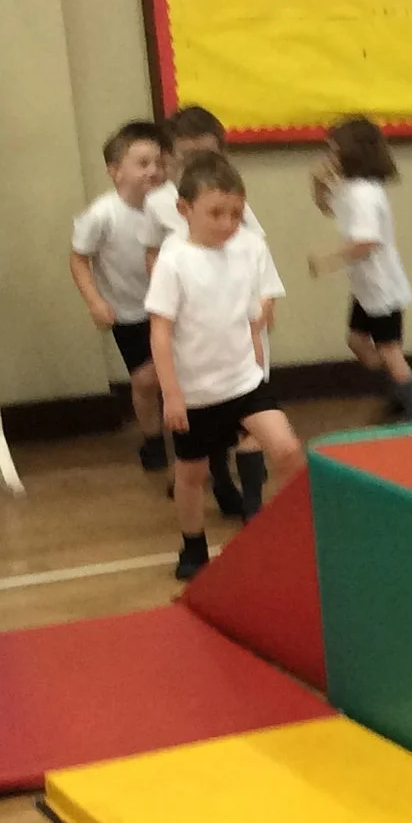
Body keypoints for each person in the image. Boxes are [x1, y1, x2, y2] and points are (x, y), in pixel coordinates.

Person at [146, 155, 304, 581]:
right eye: (215, 213)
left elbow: (254, 304)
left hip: (244, 380)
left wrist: (256, 338)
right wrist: (173, 393)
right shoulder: (174, 259)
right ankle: (194, 545)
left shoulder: (249, 247)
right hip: (196, 391)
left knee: (287, 449)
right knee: (192, 473)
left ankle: (292, 527)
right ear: (185, 210)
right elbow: (160, 331)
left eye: (235, 213)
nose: (227, 222)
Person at [146, 106, 275, 517]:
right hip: (194, 325)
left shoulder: (230, 203)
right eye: (186, 155)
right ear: (170, 159)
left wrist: (262, 306)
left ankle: (254, 503)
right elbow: (154, 251)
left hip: (237, 320)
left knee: (249, 418)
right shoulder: (161, 203)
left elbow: (255, 252)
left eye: (210, 155)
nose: (199, 163)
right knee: (206, 418)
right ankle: (219, 483)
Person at [68, 120, 171, 472]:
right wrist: (95, 302)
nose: (153, 171)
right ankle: (153, 439)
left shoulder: (172, 203)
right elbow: (79, 258)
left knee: (176, 371)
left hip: (170, 308)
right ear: (115, 172)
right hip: (128, 311)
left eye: (158, 163)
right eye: (142, 163)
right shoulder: (102, 214)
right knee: (145, 380)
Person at [306, 116, 412, 421]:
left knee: (390, 351)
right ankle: (397, 393)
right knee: (357, 342)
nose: (330, 157)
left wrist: (327, 260)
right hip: (366, 286)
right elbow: (326, 206)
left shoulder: (364, 194)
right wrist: (318, 183)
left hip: (381, 286)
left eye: (334, 151)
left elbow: (366, 242)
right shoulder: (350, 187)